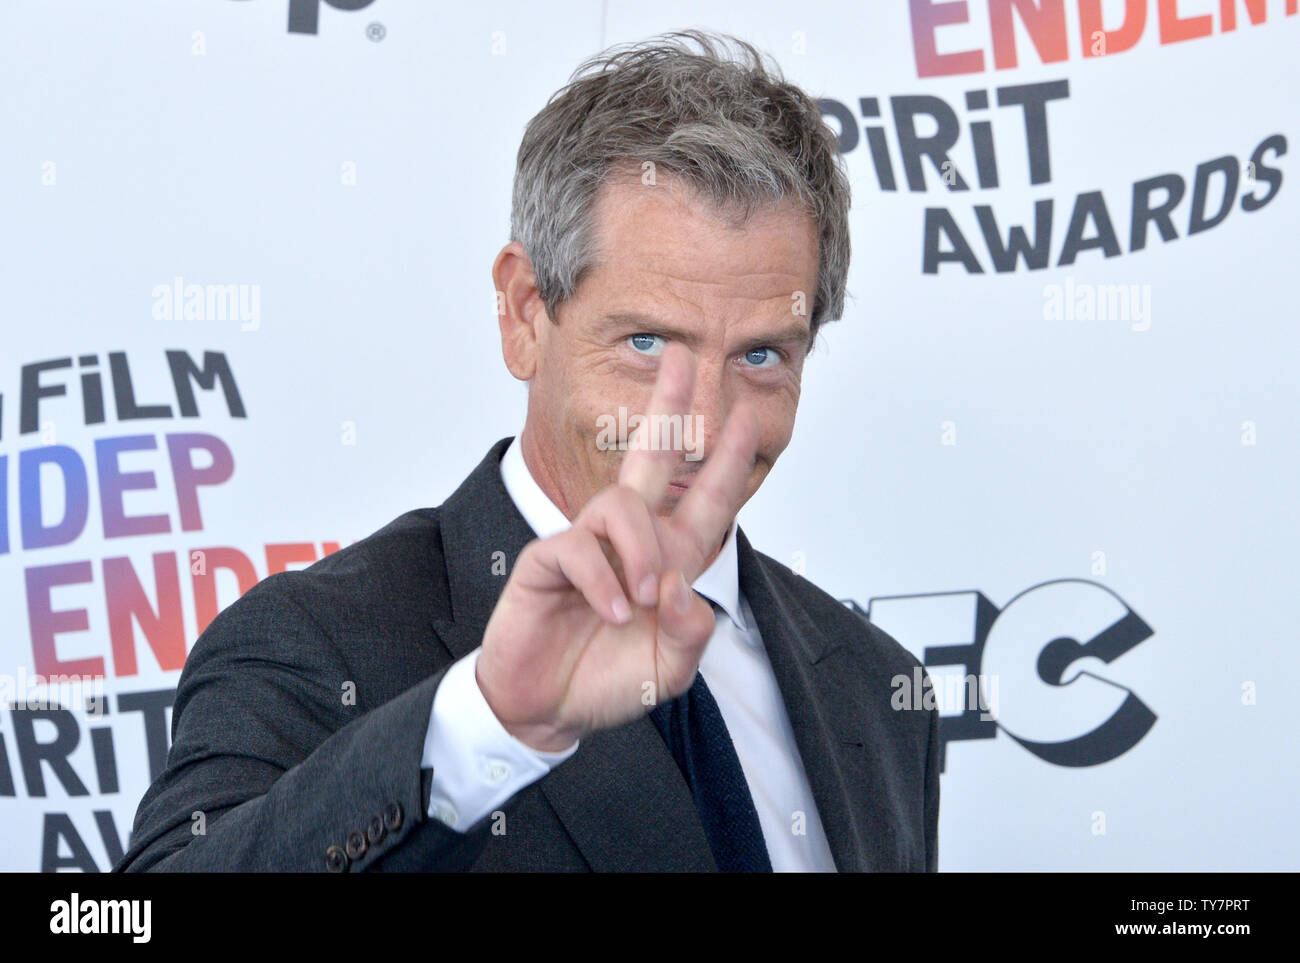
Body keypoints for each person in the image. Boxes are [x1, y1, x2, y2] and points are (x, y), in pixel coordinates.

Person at [116, 29, 939, 873]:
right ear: (523, 313)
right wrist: (491, 722)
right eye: (647, 343)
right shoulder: (319, 641)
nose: (696, 424)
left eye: (761, 356)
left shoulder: (877, 691)